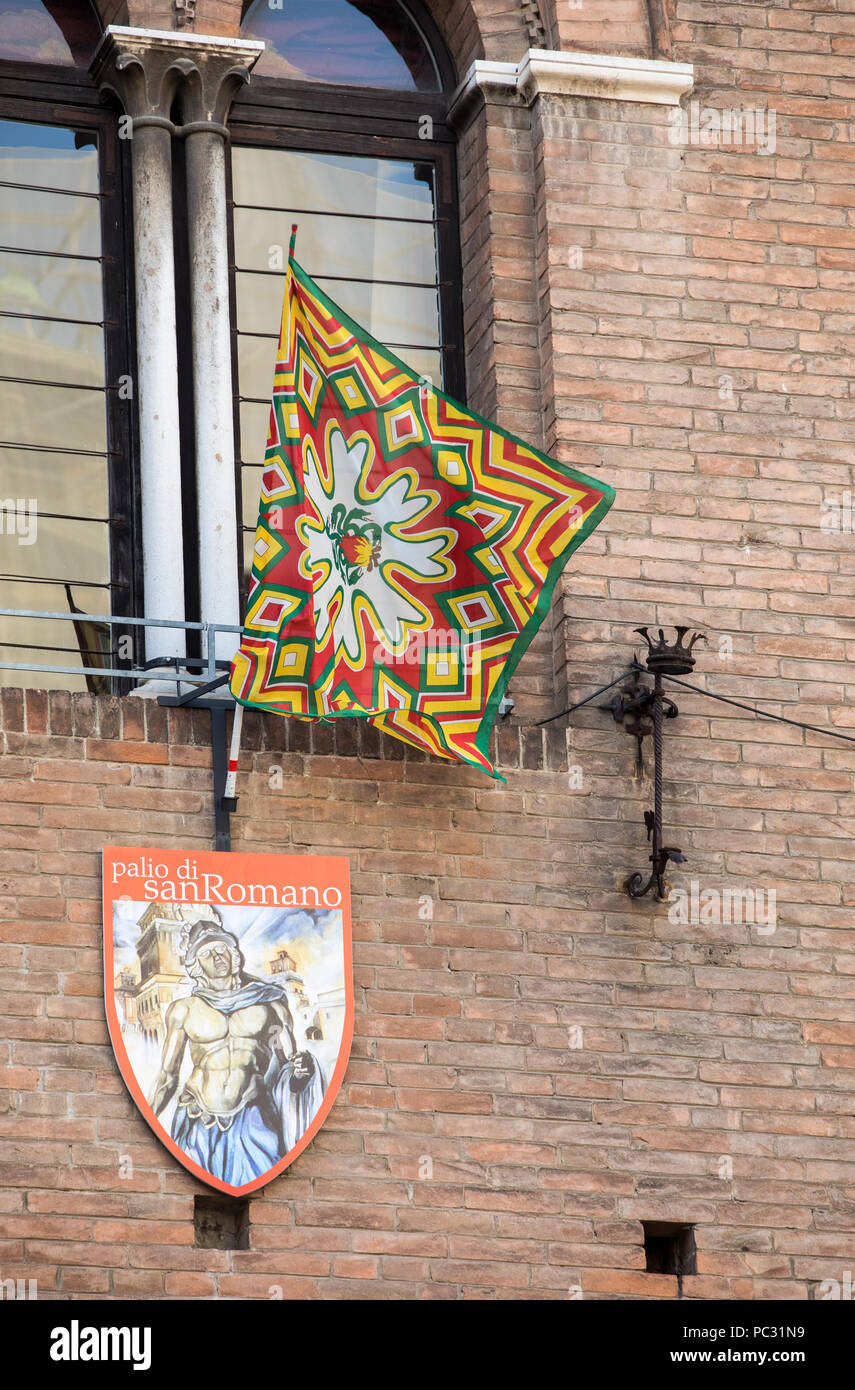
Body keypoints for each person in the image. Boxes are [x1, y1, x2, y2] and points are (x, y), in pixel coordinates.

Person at [148, 920, 324, 1186]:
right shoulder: (183, 1010)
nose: (218, 956)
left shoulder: (271, 1003)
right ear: (196, 965)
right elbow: (167, 1077)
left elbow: (289, 1070)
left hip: (252, 1118)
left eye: (223, 949)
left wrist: (303, 1070)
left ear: (235, 955)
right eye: (207, 953)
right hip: (198, 1119)